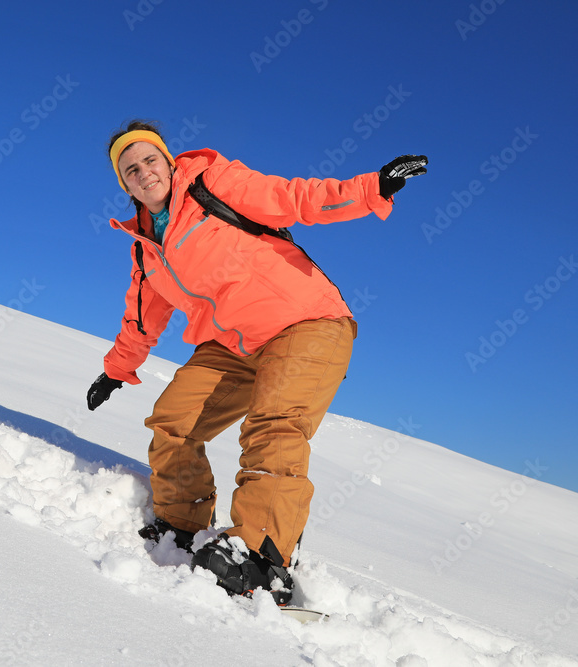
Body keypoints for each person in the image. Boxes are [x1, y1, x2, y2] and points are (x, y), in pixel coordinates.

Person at [86, 119, 427, 604]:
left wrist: (372, 188)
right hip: (234, 347)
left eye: (149, 160)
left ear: (168, 161)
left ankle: (263, 556)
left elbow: (295, 198)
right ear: (126, 185)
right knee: (174, 421)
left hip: (306, 322)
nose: (143, 172)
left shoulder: (212, 186)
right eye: (131, 169)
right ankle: (181, 525)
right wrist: (115, 370)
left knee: (274, 426)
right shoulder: (148, 252)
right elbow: (140, 319)